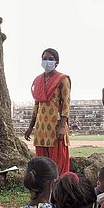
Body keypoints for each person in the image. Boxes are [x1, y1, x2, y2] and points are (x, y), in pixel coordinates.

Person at [24, 48, 71, 176]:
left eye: (50, 59)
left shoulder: (62, 79)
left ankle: (60, 187)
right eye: (45, 58)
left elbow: (66, 104)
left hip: (55, 126)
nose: (47, 61)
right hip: (41, 127)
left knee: (58, 161)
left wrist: (62, 126)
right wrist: (30, 127)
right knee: (42, 163)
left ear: (57, 62)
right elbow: (36, 105)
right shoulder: (38, 80)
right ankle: (44, 189)